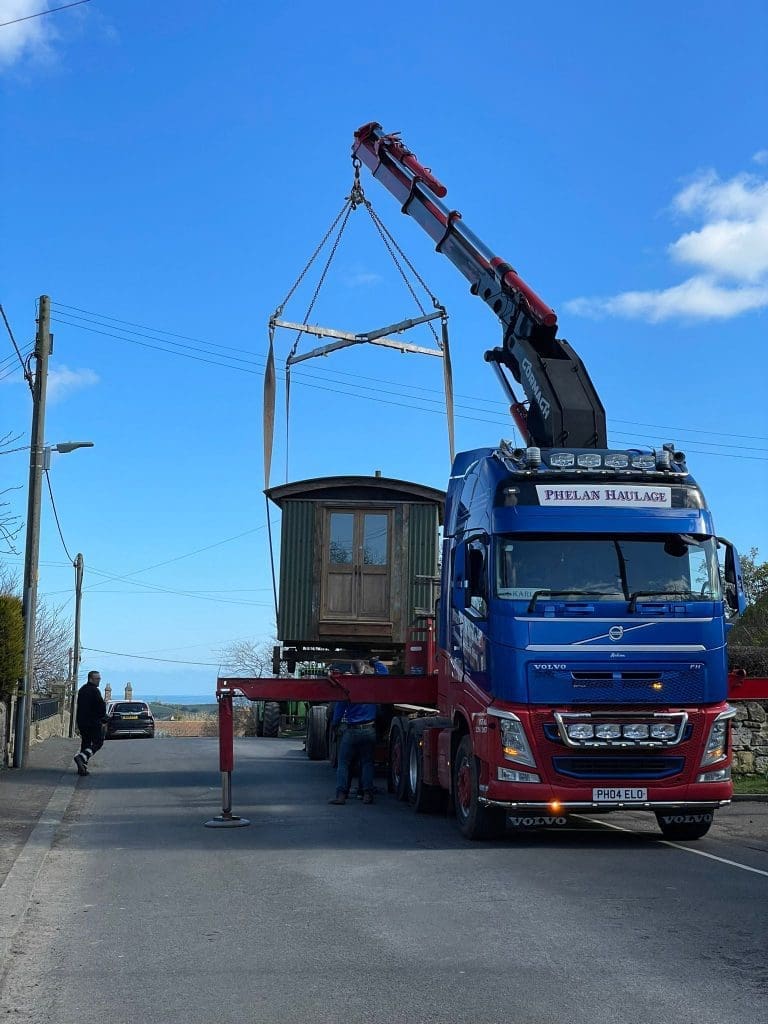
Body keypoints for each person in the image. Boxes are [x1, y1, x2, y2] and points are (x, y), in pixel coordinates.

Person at [328, 660, 377, 806]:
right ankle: (367, 794)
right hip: (369, 729)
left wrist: (335, 724)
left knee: (344, 763)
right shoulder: (373, 686)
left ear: (351, 670)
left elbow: (339, 708)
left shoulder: (348, 687)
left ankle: (341, 795)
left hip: (352, 730)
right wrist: (376, 662)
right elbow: (384, 673)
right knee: (367, 763)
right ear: (364, 670)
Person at [73, 670, 107, 776]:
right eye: (97, 679)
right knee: (98, 742)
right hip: (93, 722)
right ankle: (81, 757)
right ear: (91, 679)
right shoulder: (94, 691)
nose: (99, 681)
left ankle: (82, 767)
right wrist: (103, 717)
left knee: (86, 742)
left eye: (99, 678)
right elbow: (101, 707)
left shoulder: (82, 689)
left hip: (82, 722)